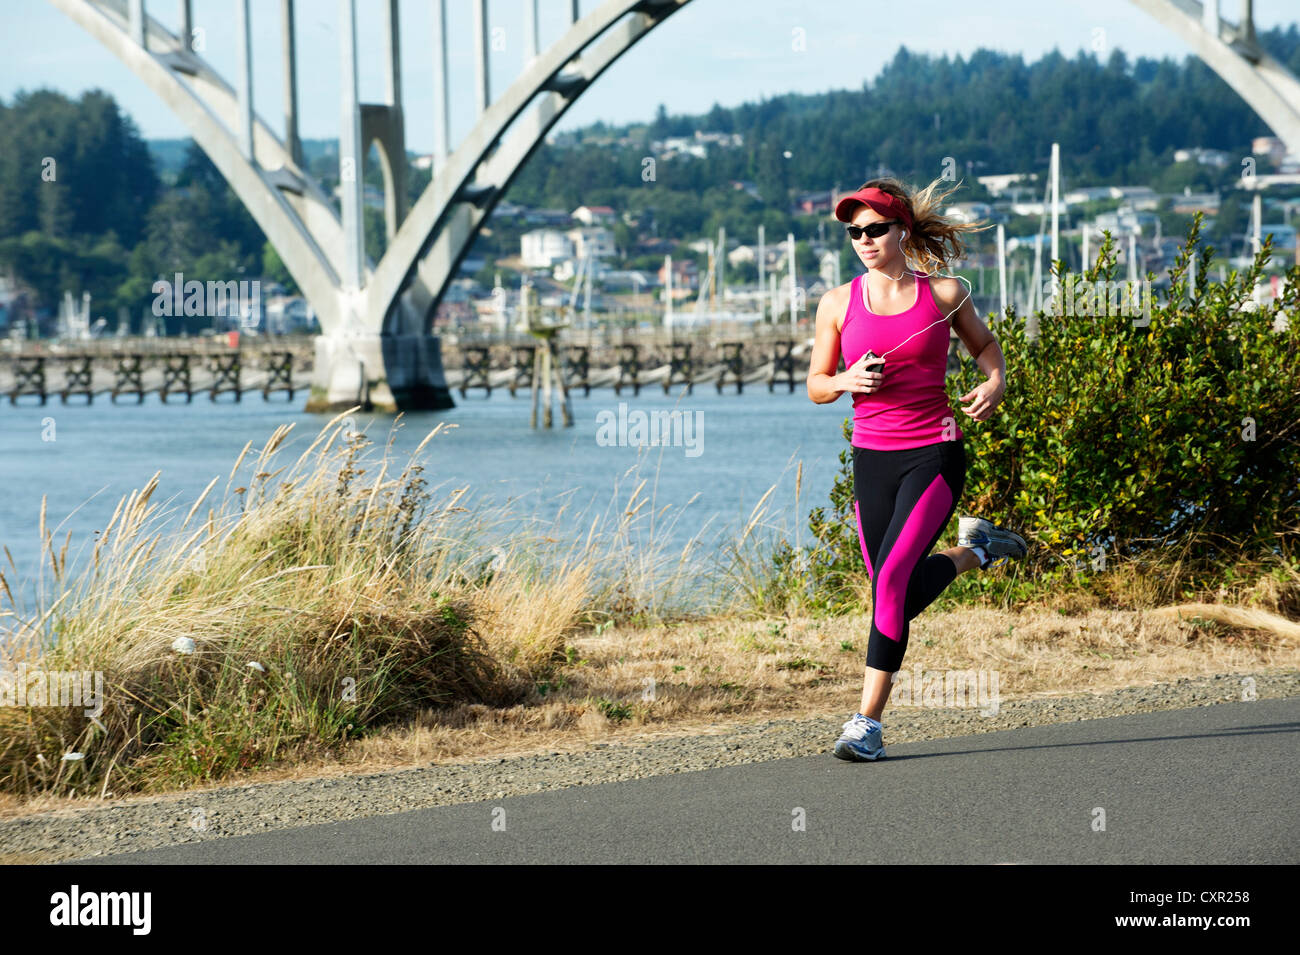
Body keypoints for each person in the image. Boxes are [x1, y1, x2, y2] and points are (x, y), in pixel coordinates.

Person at [805, 177, 1027, 761]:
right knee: (887, 588)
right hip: (871, 460)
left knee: (890, 583)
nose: (865, 240)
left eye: (876, 229)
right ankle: (978, 551)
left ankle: (866, 725)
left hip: (934, 454)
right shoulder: (837, 302)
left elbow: (984, 347)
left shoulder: (944, 294)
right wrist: (845, 381)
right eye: (854, 232)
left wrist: (995, 380)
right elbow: (815, 385)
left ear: (902, 229)